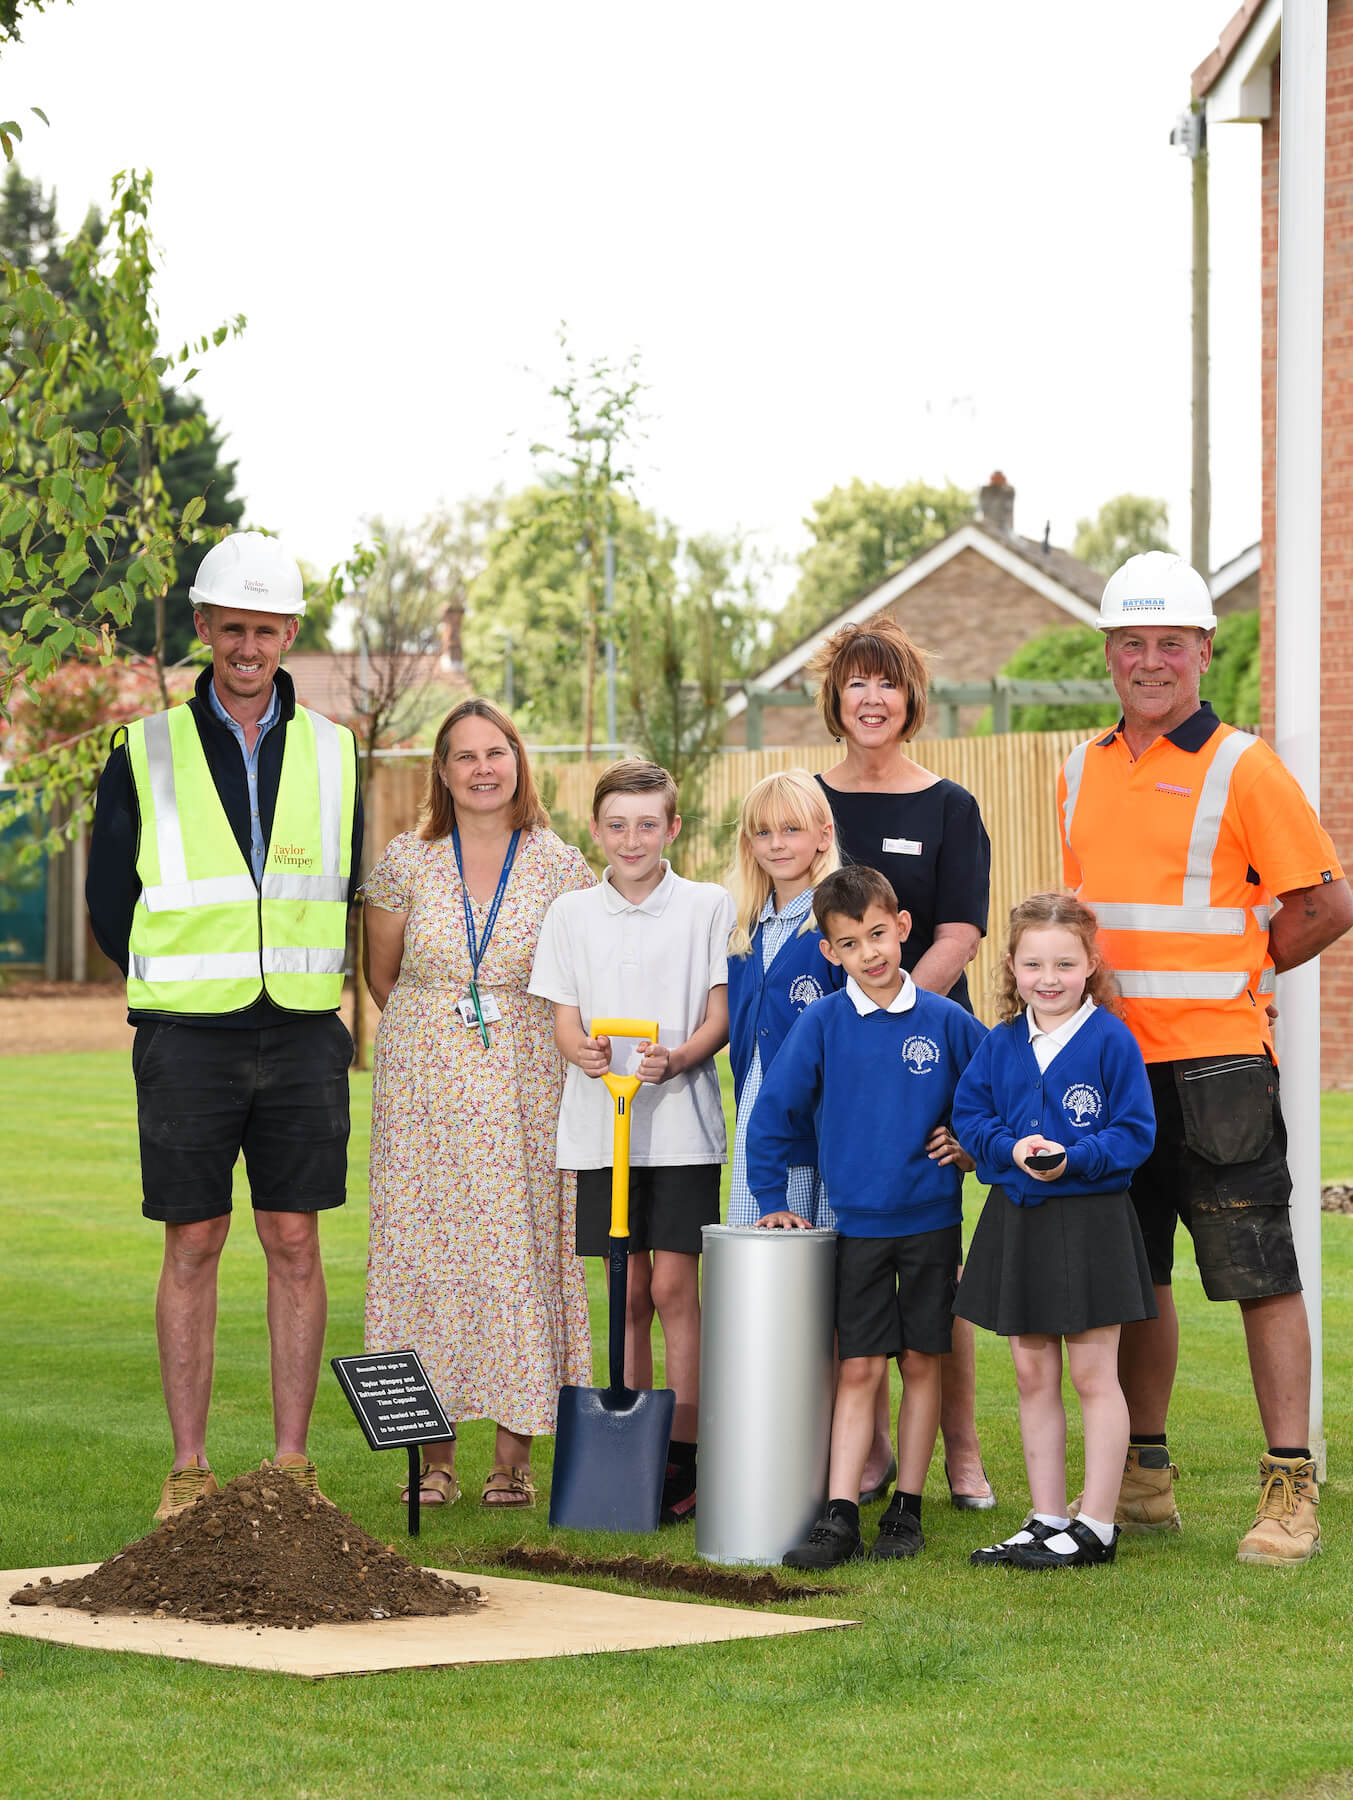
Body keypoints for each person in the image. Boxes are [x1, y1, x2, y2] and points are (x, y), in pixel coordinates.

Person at [1058, 551, 1353, 1566]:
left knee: (1260, 1271)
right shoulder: (1080, 769)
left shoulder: (1243, 765)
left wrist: (1238, 972)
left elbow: (1326, 904)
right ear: (1109, 653)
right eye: (1132, 643)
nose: (1149, 661)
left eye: (1168, 644)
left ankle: (1288, 1491)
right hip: (1110, 1068)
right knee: (1134, 1277)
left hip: (1219, 1066)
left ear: (1202, 651)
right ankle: (1144, 1476)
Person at [85, 531, 362, 1521]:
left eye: (267, 629)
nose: (249, 646)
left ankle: (291, 1468)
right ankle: (190, 1470)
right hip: (185, 1035)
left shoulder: (337, 752)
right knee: (192, 1241)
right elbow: (109, 901)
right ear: (203, 628)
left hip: (299, 1033)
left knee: (295, 1239)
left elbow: (348, 881)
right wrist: (178, 989)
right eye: (231, 627)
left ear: (290, 633)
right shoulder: (144, 746)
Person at [362, 698, 594, 1511]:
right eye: (465, 756)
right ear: (442, 771)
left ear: (518, 762)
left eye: (496, 752)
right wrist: (441, 1039)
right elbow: (382, 977)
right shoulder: (404, 861)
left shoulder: (561, 865)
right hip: (422, 1087)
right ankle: (431, 1460)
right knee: (424, 1258)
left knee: (520, 1253)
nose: (483, 768)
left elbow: (579, 975)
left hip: (528, 1083)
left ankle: (512, 1460)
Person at [807, 613, 994, 1509]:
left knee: (931, 1268)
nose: (871, 698)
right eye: (856, 682)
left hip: (926, 1061)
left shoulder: (949, 807)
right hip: (831, 1056)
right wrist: (854, 1021)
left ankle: (959, 1452)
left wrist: (895, 1011)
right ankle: (870, 1452)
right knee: (845, 1259)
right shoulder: (808, 802)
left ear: (910, 697)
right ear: (835, 699)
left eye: (886, 682)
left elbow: (959, 929)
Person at [748, 864, 985, 1568]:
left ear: (903, 927)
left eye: (878, 935)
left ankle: (906, 1510)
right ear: (830, 953)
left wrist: (971, 1146)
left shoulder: (947, 1022)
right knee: (857, 1370)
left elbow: (991, 1101)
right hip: (856, 1228)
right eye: (850, 944)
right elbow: (772, 1116)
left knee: (921, 1360)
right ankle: (840, 1512)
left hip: (931, 1224)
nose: (870, 953)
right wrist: (772, 1203)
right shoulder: (821, 1025)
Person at [529, 758, 736, 1525]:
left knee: (675, 1288)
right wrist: (580, 1049)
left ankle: (685, 1454)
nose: (632, 838)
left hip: (679, 1127)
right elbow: (564, 1017)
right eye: (616, 824)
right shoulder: (572, 914)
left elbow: (718, 1015)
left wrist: (678, 1058)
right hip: (599, 1132)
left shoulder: (705, 906)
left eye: (648, 823)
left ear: (673, 828)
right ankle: (633, 1441)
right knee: (627, 1293)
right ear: (595, 830)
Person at [951, 894, 1157, 1570]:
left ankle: (1095, 1523)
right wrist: (1008, 1150)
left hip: (1092, 1220)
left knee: (1094, 1373)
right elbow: (971, 1116)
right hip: (1018, 1220)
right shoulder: (1000, 1043)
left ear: (1090, 964)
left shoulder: (1110, 1040)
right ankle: (1045, 1518)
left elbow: (1133, 1133)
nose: (1048, 977)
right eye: (1033, 963)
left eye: (1064, 964)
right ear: (1010, 966)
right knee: (1030, 1369)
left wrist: (1075, 1158)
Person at [726, 770, 842, 1229]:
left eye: (791, 829)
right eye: (763, 832)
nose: (777, 843)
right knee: (770, 1262)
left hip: (829, 1123)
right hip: (765, 1123)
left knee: (833, 1266)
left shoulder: (836, 925)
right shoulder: (743, 932)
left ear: (822, 835)